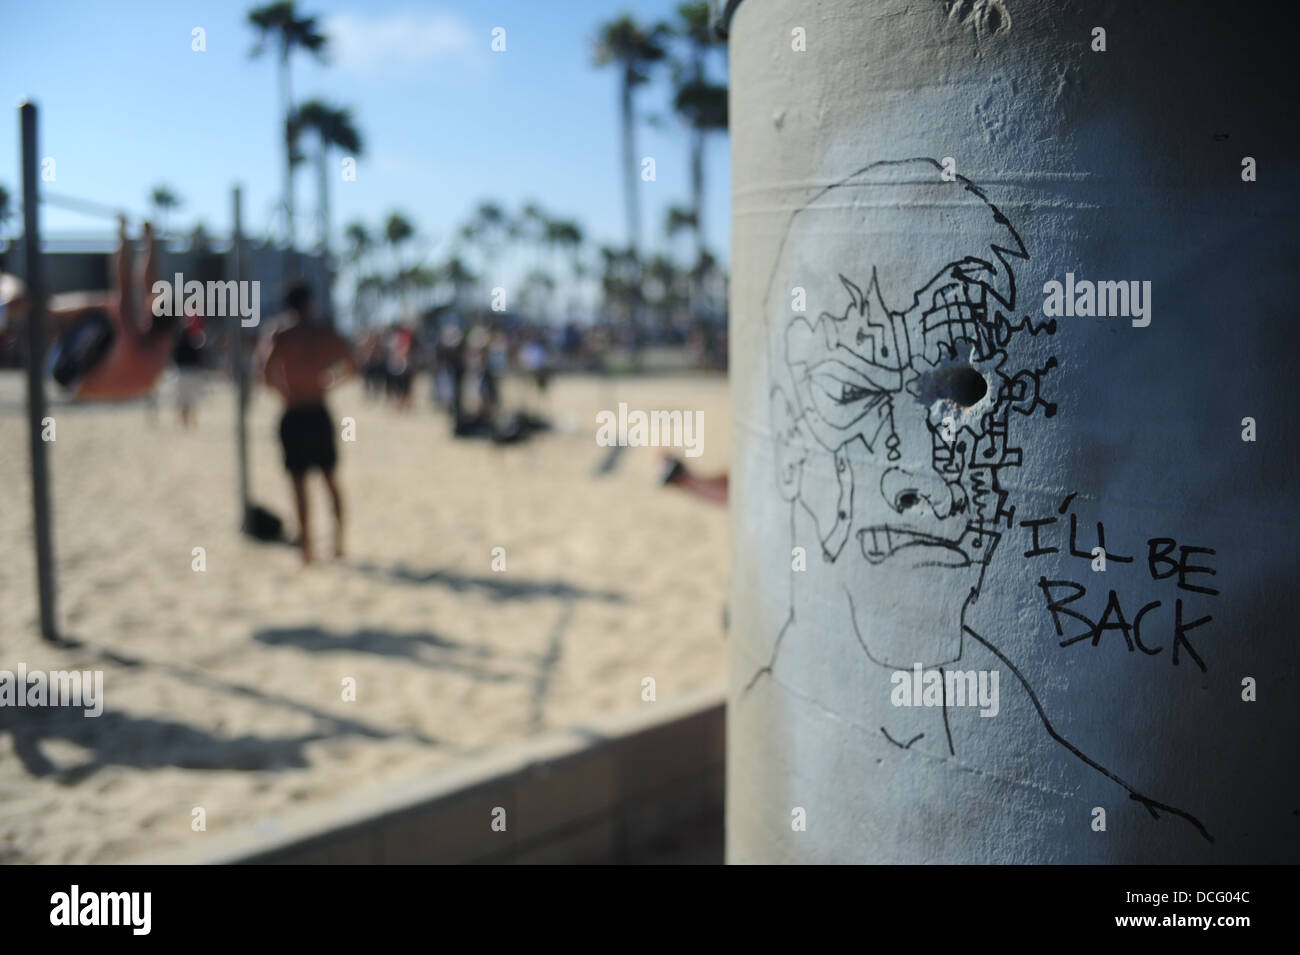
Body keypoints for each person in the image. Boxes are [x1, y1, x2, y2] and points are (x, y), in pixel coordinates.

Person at [5, 218, 174, 400]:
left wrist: (123, 235)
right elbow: (151, 284)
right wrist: (151, 240)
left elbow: (124, 283)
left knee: (108, 307)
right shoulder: (164, 343)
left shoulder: (133, 337)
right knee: (113, 314)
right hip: (124, 386)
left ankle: (47, 310)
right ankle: (47, 315)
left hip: (69, 377)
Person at [260, 281, 357, 564]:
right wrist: (327, 383)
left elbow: (265, 374)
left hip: (293, 411)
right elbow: (351, 367)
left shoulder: (281, 335)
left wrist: (286, 391)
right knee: (330, 479)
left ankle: (307, 548)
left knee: (298, 483)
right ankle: (338, 542)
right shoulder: (324, 333)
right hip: (317, 409)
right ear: (310, 303)